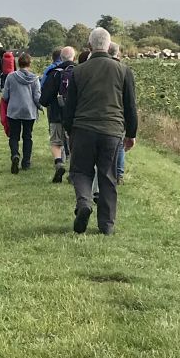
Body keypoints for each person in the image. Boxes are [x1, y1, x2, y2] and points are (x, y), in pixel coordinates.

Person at [63, 28, 138, 235]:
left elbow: (70, 107)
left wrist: (69, 130)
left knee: (80, 171)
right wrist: (131, 133)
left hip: (83, 128)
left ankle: (85, 202)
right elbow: (130, 106)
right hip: (112, 130)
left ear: (89, 46)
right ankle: (106, 225)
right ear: (109, 45)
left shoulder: (78, 71)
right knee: (107, 176)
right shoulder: (124, 71)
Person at [40, 46, 76, 183]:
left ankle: (59, 162)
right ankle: (73, 172)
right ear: (74, 56)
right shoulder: (80, 72)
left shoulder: (54, 73)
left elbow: (44, 98)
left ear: (61, 57)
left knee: (56, 142)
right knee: (73, 144)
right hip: (74, 116)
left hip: (56, 114)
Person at [2, 52, 41, 173]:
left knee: (14, 135)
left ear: (18, 63)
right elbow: (37, 97)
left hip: (14, 110)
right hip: (29, 111)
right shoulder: (34, 79)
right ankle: (26, 162)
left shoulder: (11, 77)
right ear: (29, 63)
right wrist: (40, 106)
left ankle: (15, 155)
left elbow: (5, 95)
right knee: (27, 136)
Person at [108, 41, 126, 183]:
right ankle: (119, 173)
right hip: (120, 114)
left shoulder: (104, 69)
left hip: (109, 113)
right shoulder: (124, 69)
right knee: (119, 145)